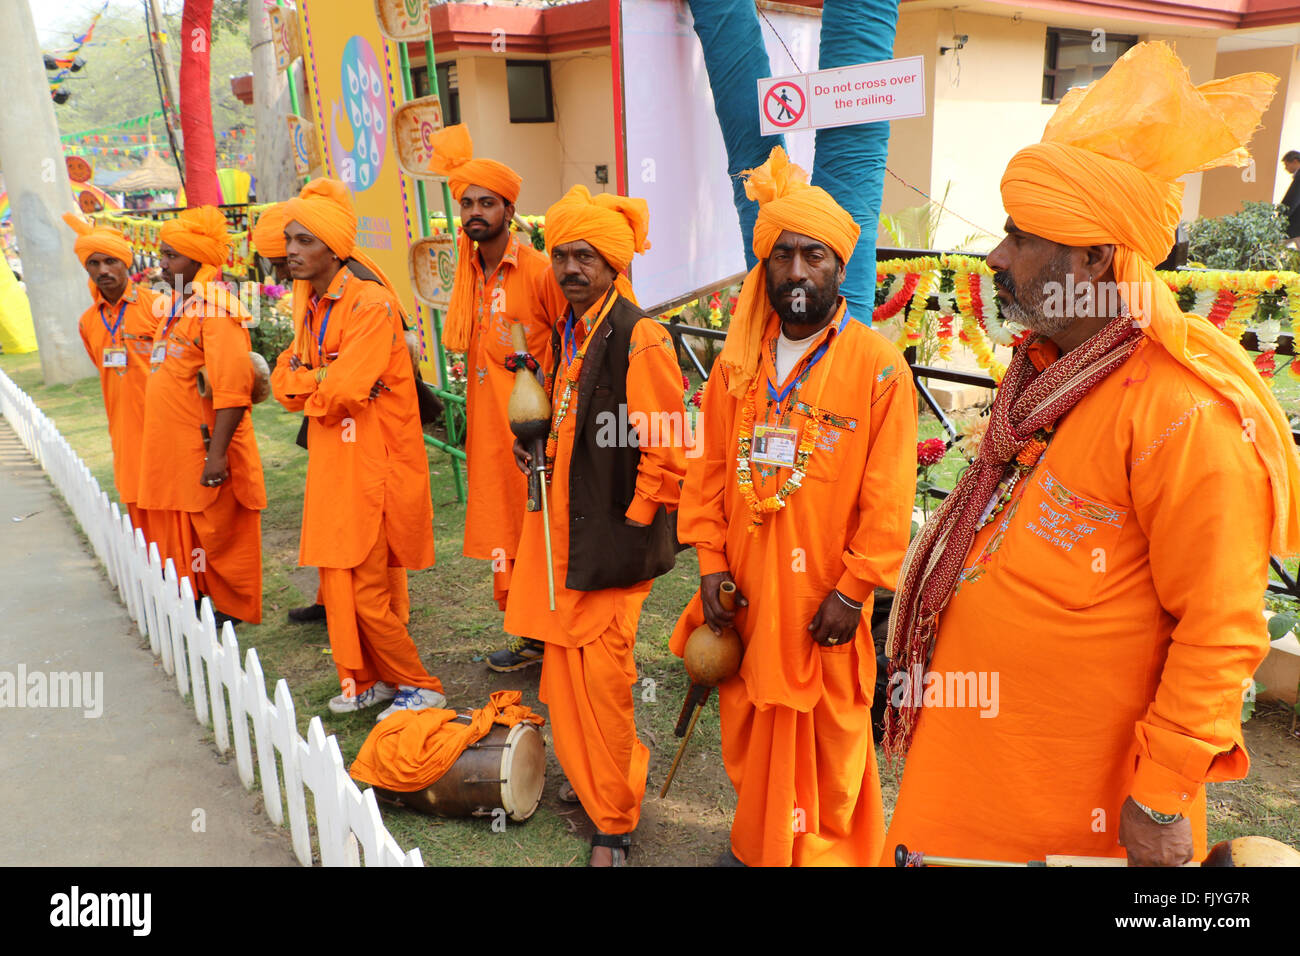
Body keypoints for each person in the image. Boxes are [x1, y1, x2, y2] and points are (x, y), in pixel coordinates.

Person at [884, 42, 1299, 867]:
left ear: (1094, 259)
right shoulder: (1047, 378)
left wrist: (1162, 792)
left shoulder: (1184, 414)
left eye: (1019, 236)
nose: (996, 257)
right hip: (969, 773)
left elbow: (1220, 628)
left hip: (1077, 809)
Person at [668, 147, 917, 867]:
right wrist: (712, 564)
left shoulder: (877, 367)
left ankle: (823, 857)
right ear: (764, 269)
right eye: (784, 257)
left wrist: (854, 588)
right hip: (746, 592)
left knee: (831, 736)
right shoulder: (735, 365)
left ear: (840, 269)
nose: (799, 272)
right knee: (750, 720)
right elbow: (708, 471)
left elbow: (888, 494)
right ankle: (759, 847)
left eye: (815, 256)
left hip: (824, 603)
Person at [503, 185, 687, 865]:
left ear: (613, 264)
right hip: (563, 535)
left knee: (603, 684)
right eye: (562, 256)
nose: (571, 268)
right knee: (566, 672)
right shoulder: (576, 331)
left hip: (606, 547)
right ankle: (591, 782)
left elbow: (667, 449)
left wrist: (631, 531)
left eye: (586, 256)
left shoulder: (641, 336)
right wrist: (538, 445)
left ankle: (613, 820)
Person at [269, 178, 445, 721]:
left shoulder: (369, 303)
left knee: (366, 587)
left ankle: (420, 684)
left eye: (303, 241)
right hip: (333, 461)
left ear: (334, 247)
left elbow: (345, 392)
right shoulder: (315, 304)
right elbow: (283, 380)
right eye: (289, 240)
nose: (291, 251)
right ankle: (367, 679)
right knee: (338, 583)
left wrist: (315, 381)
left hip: (372, 463)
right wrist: (320, 379)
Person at [428, 124, 565, 672]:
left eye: (488, 202)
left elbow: (566, 344)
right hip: (489, 429)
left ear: (510, 209)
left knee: (536, 527)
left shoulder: (536, 271)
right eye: (467, 203)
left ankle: (545, 635)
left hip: (532, 430)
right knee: (504, 532)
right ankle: (525, 630)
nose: (475, 212)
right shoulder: (469, 271)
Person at [137, 206, 266, 627]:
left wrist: (217, 455)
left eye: (171, 256)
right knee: (190, 528)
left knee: (216, 529)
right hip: (176, 447)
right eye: (162, 255)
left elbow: (232, 391)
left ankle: (224, 608)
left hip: (204, 445)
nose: (161, 265)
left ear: (197, 260)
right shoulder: (181, 304)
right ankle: (195, 597)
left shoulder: (217, 310)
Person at [252, 201, 328, 625]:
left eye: (283, 260)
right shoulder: (310, 291)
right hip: (324, 422)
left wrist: (308, 379)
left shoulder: (358, 291)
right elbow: (290, 370)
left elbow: (341, 381)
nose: (282, 272)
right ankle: (330, 598)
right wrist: (308, 378)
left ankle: (372, 612)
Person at [64, 213, 158, 534]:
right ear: (86, 268)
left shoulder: (157, 306)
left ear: (126, 263)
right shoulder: (88, 321)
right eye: (94, 263)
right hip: (124, 428)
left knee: (170, 498)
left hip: (166, 422)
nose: (103, 270)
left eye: (111, 261)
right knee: (135, 497)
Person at [1279, 149, 1300, 241]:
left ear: (1295, 161)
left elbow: (1293, 199)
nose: (1285, 168)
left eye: (1287, 164)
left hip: (1295, 223)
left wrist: (1282, 215)